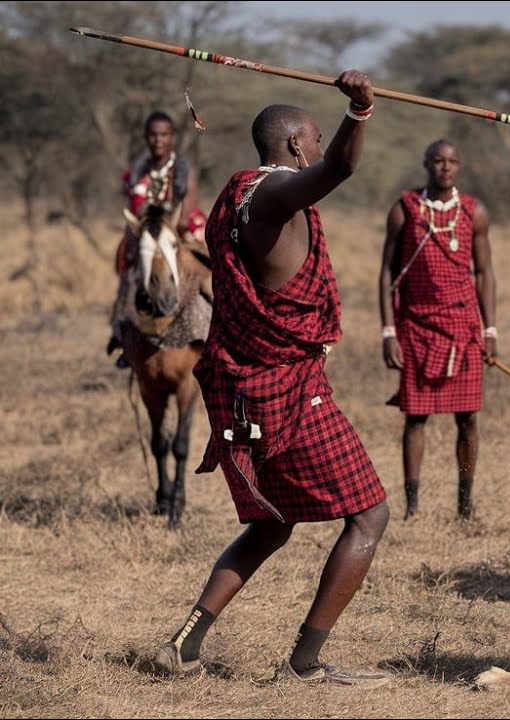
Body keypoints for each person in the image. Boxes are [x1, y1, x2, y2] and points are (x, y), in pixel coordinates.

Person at [152, 70, 391, 687]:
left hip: (246, 385)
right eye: (312, 138)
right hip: (283, 387)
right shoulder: (274, 194)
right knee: (369, 516)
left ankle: (183, 644)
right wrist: (359, 113)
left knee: (273, 521)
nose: (315, 148)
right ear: (293, 146)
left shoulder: (233, 200)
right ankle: (305, 664)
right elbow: (338, 169)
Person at [379, 139, 497, 521]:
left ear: (459, 167)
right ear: (426, 164)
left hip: (463, 327)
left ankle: (465, 506)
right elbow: (387, 274)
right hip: (416, 326)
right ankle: (412, 508)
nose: (444, 168)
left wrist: (490, 330)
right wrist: (388, 331)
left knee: (468, 417)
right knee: (415, 417)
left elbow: (484, 273)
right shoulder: (405, 210)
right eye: (437, 161)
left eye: (451, 162)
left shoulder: (473, 212)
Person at [107, 110, 205, 367]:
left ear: (172, 137)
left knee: (206, 274)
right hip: (148, 239)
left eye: (163, 135)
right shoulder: (139, 172)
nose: (158, 140)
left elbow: (183, 214)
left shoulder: (184, 172)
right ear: (146, 138)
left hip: (179, 233)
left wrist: (164, 227)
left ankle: (221, 332)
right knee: (129, 274)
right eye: (153, 135)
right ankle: (124, 338)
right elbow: (134, 210)